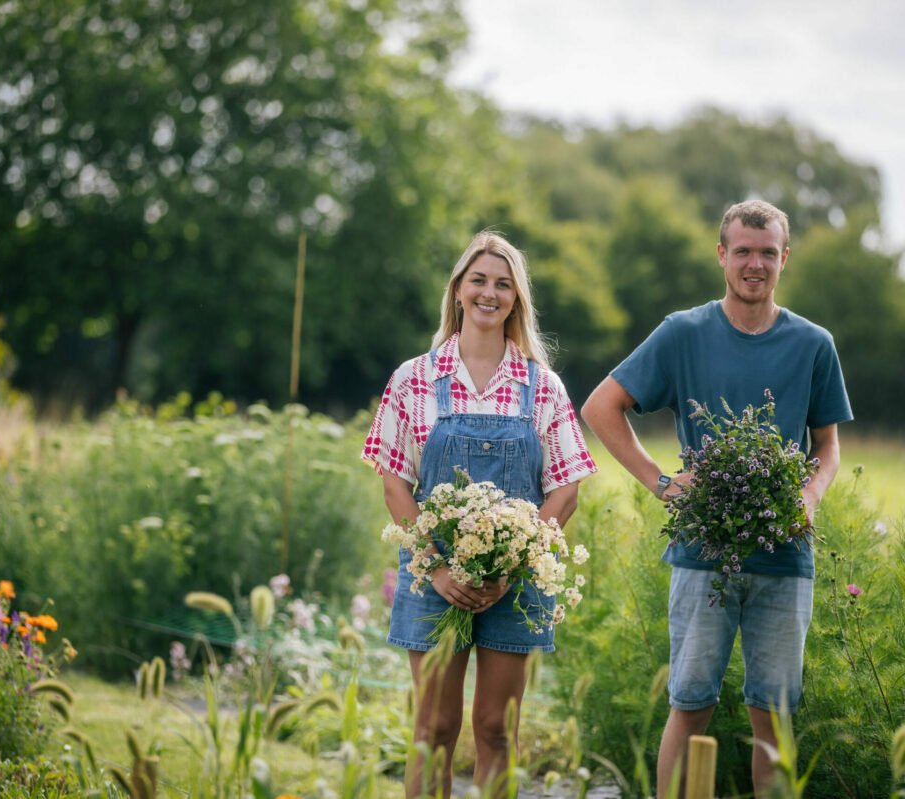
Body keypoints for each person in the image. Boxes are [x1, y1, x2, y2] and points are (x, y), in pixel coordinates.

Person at [580, 199, 852, 798]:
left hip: (785, 555)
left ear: (785, 258)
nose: (755, 264)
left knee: (773, 716)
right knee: (691, 702)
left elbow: (827, 447)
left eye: (768, 252)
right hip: (703, 554)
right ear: (721, 254)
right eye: (744, 251)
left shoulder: (813, 344)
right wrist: (662, 482)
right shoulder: (684, 333)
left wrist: (810, 495)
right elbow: (601, 408)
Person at [362, 231, 596, 797]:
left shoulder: (543, 387)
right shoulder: (415, 378)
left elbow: (564, 490)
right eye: (479, 281)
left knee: (496, 729)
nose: (490, 293)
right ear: (458, 291)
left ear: (516, 299)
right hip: (430, 576)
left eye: (503, 284)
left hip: (513, 584)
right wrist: (439, 567)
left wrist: (510, 568)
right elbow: (396, 482)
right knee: (434, 728)